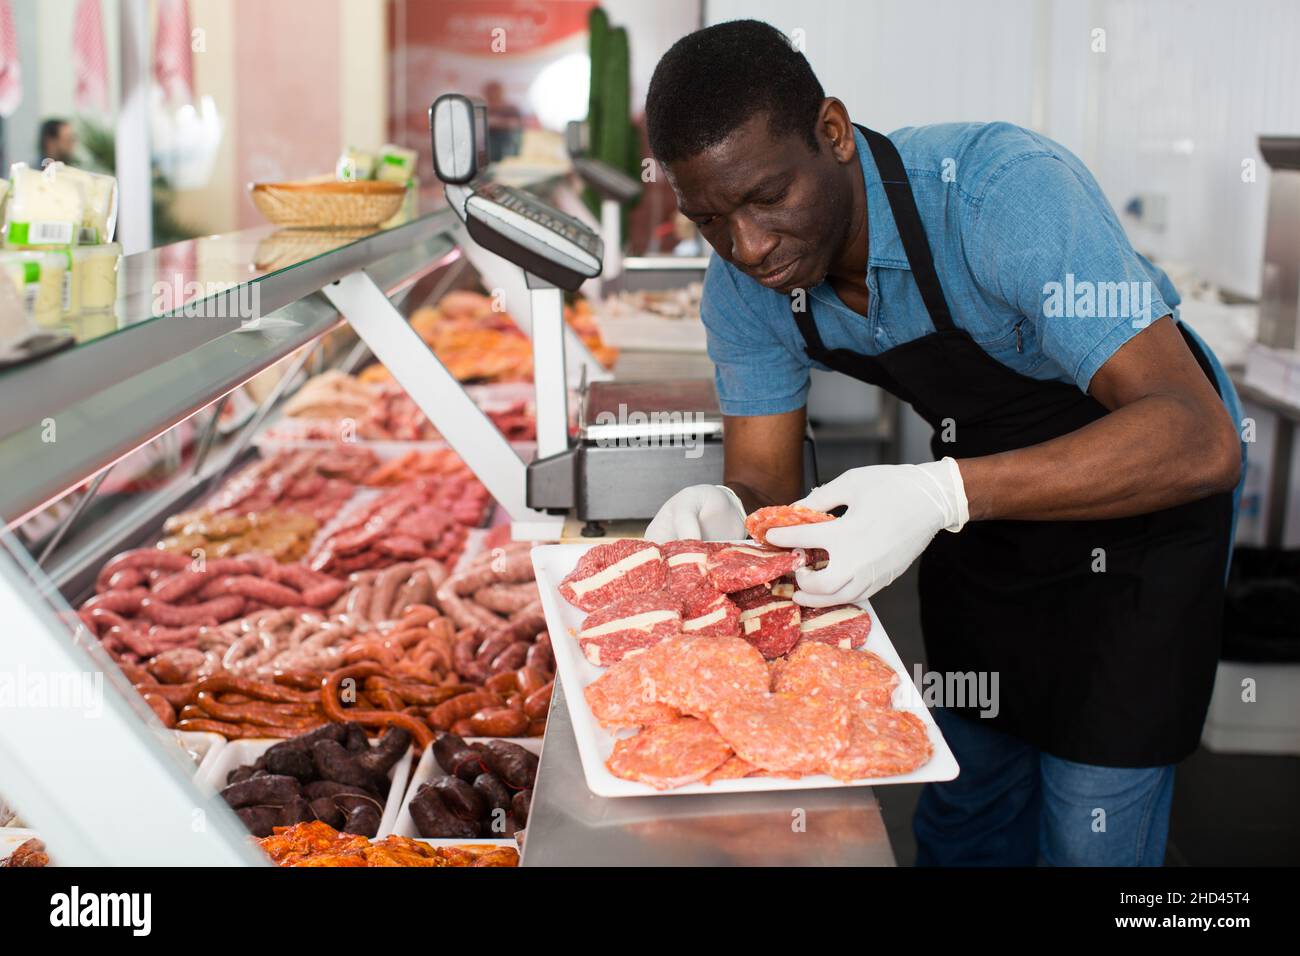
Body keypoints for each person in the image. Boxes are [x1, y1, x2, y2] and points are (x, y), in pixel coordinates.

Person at [642, 20, 1245, 867]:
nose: (749, 247)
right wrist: (722, 507)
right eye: (710, 220)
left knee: (1086, 831)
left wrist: (941, 494)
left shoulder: (998, 194)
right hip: (986, 515)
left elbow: (1199, 437)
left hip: (1140, 508)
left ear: (833, 133)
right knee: (966, 807)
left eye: (768, 198)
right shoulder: (743, 285)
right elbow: (761, 481)